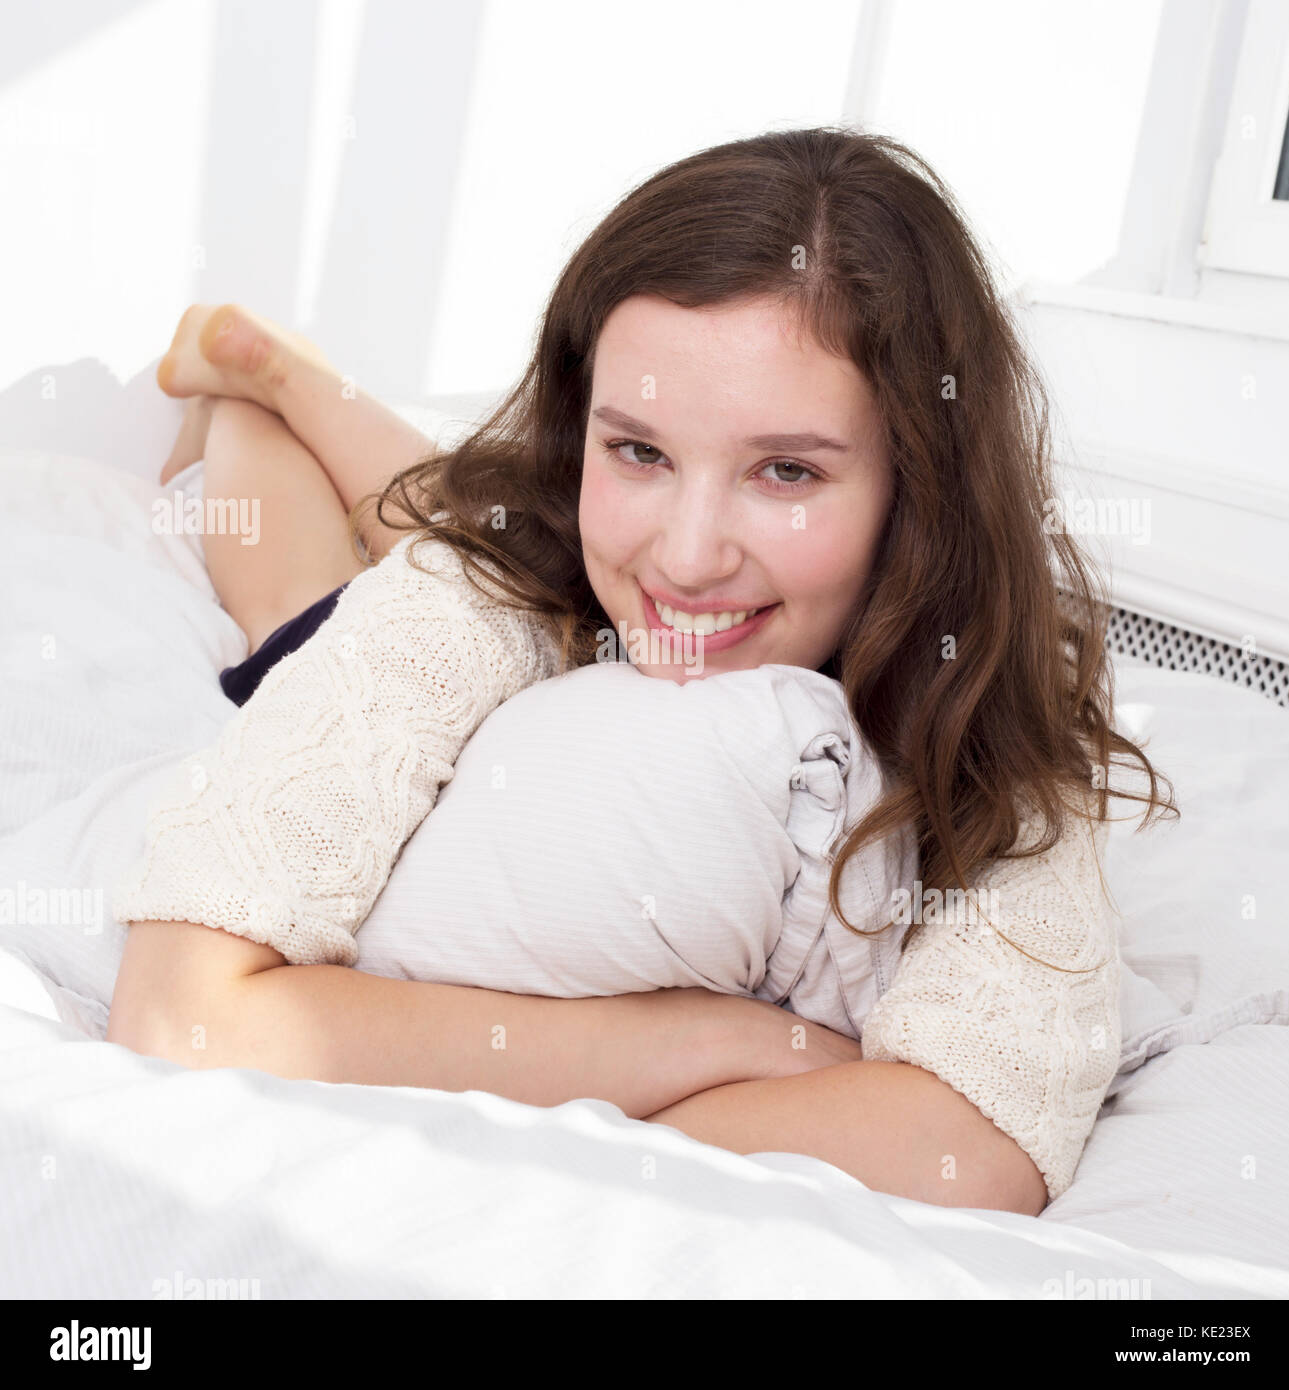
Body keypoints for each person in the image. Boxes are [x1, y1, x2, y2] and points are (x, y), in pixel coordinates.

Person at [108, 126, 1176, 1214]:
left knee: (465, 510)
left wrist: (510, 1075)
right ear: (582, 431)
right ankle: (256, 394)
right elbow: (179, 1014)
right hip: (465, 593)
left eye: (786, 469)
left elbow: (971, 1148)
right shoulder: (465, 600)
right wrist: (701, 1041)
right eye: (637, 449)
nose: (686, 552)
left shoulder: (986, 702)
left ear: (921, 487)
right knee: (303, 588)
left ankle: (299, 382)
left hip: (551, 565)